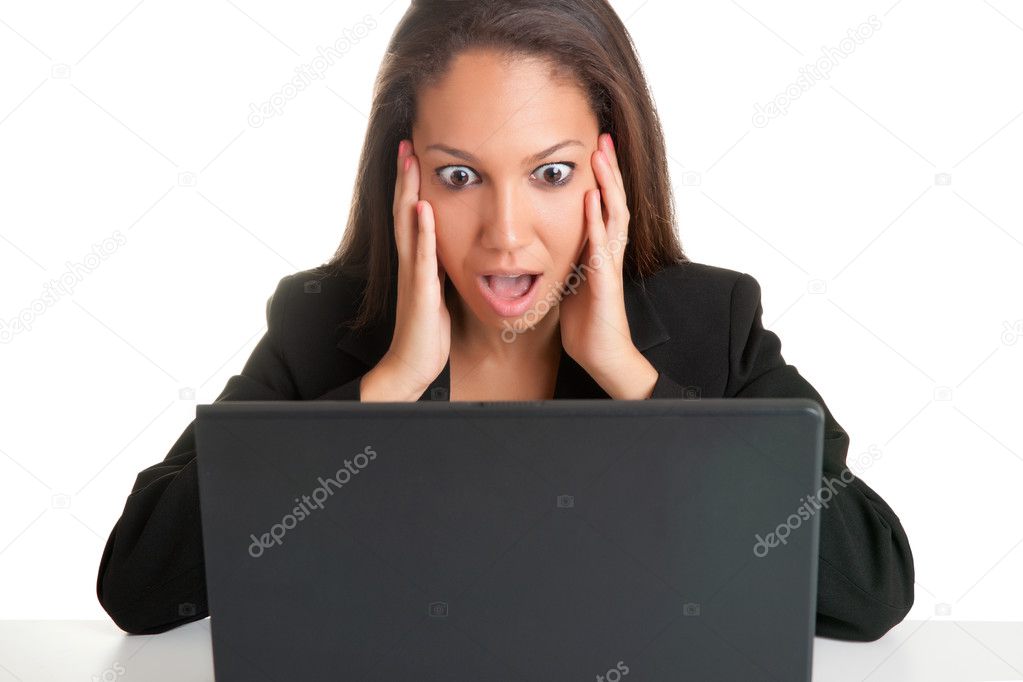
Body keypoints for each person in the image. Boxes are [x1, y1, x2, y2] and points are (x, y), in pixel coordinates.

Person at [96, 0, 914, 642]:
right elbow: (140, 587)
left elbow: (870, 589)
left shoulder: (709, 322)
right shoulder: (320, 328)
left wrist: (637, 384)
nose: (507, 234)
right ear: (405, 174)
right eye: (459, 176)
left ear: (609, 166)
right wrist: (384, 392)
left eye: (550, 173)